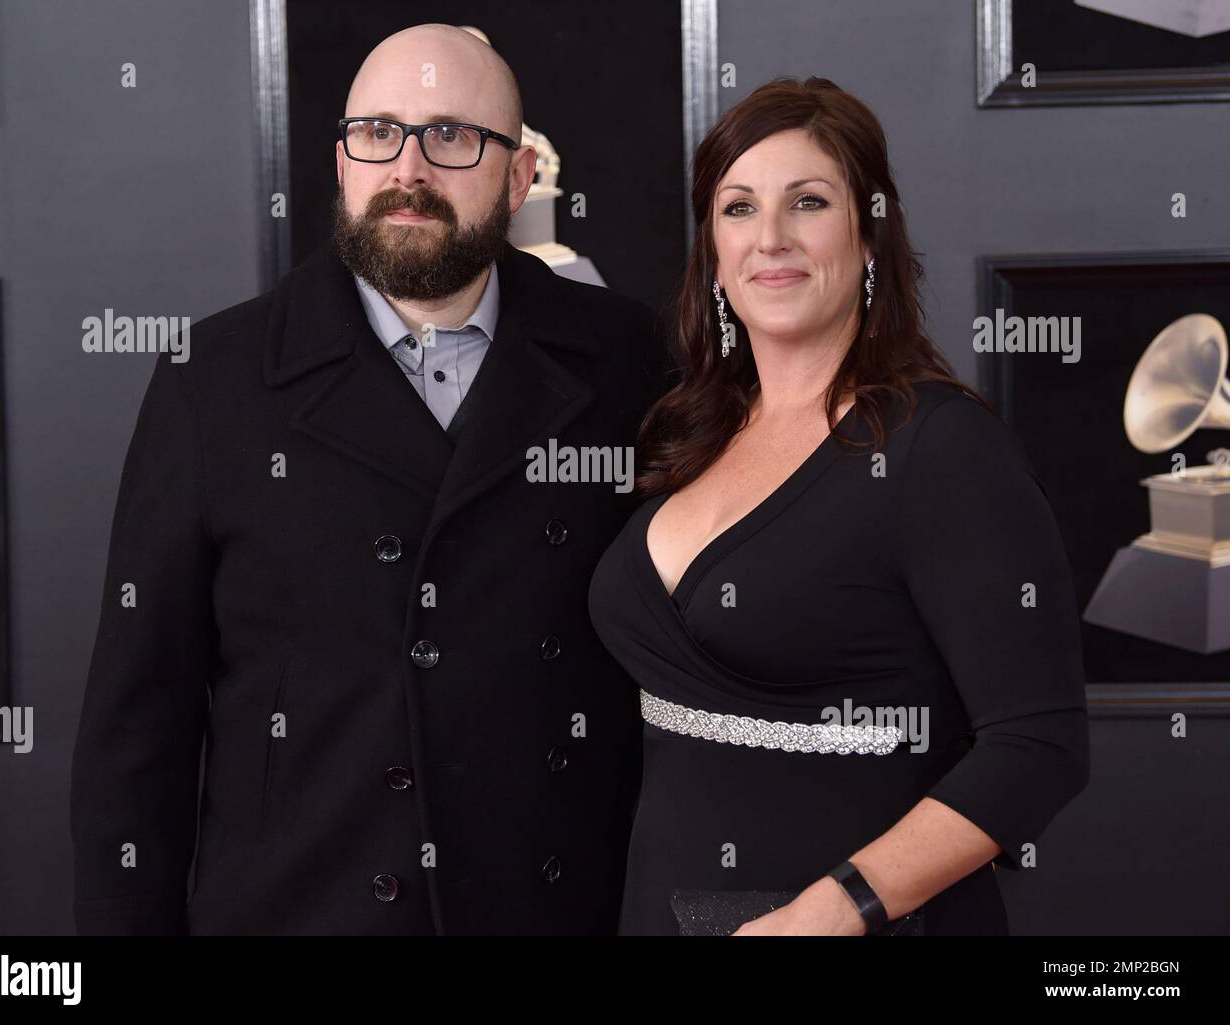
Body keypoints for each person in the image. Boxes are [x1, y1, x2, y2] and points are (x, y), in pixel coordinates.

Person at [71, 23, 666, 935]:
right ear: (342, 163)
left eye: (452, 136)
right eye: (378, 132)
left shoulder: (625, 357)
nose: (410, 169)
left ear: (518, 178)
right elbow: (135, 730)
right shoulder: (214, 376)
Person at [588, 76, 1091, 936]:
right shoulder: (689, 427)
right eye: (738, 208)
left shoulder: (942, 448)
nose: (770, 238)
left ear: (869, 236)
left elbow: (1039, 748)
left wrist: (836, 910)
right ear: (711, 248)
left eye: (808, 202)